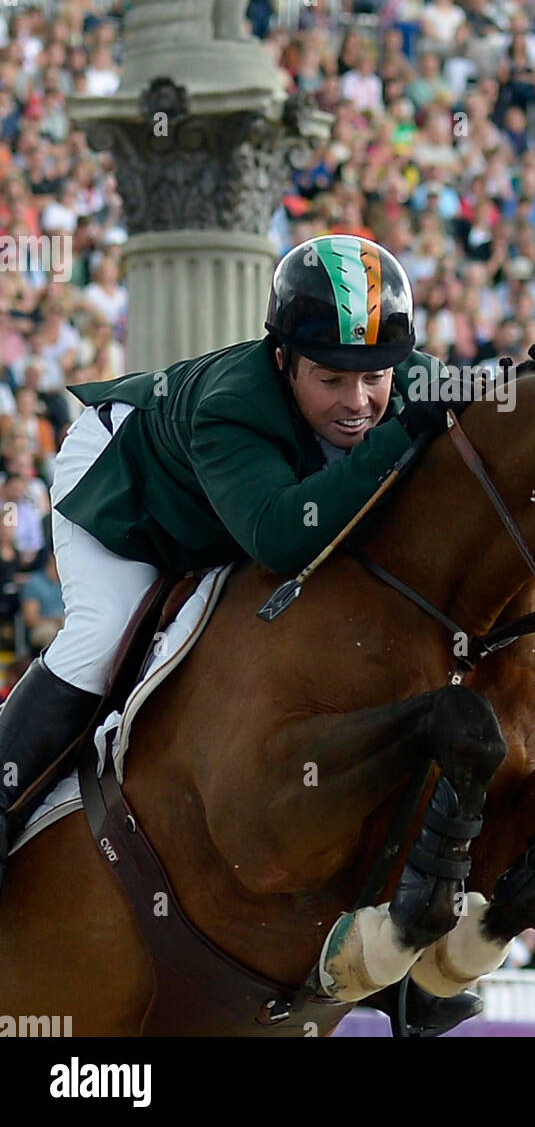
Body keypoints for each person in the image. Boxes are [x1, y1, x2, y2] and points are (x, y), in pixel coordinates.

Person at [0, 235, 457, 893]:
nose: (358, 400)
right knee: (102, 636)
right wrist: (396, 436)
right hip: (127, 489)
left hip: (223, 514)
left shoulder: (420, 383)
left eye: (375, 377)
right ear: (284, 361)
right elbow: (279, 538)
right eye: (330, 379)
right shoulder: (234, 405)